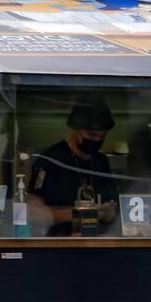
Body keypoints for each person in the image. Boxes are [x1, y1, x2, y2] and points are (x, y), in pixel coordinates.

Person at [27, 99, 120, 236]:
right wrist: (85, 214)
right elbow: (33, 212)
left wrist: (109, 214)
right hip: (60, 245)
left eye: (102, 136)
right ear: (75, 128)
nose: (97, 141)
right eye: (91, 134)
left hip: (97, 243)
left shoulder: (101, 161)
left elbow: (112, 206)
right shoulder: (52, 160)